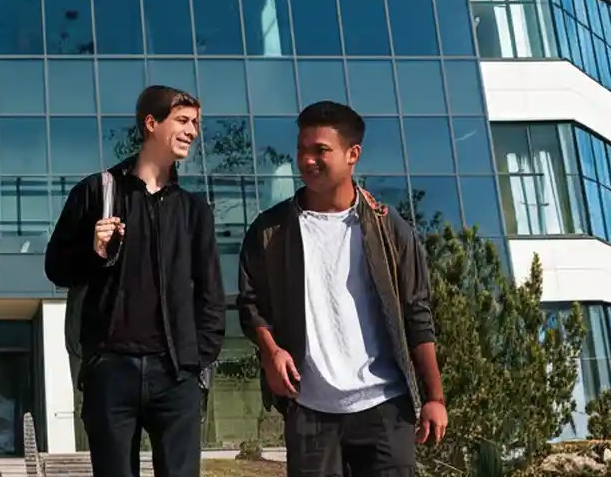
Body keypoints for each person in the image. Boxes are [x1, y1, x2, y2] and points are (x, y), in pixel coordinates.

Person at [237, 101, 449, 477]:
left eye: (321, 150)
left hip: (385, 403)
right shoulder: (270, 230)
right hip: (309, 409)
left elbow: (417, 311)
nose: (307, 160)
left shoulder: (387, 227)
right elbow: (251, 305)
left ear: (353, 154)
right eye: (302, 149)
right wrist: (270, 352)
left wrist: (434, 397)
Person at [45, 85, 226, 477]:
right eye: (182, 120)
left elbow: (210, 294)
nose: (192, 131)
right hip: (110, 371)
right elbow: (56, 269)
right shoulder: (96, 192)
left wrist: (198, 366)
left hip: (176, 376)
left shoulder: (194, 211)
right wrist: (93, 251)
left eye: (195, 123)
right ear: (151, 123)